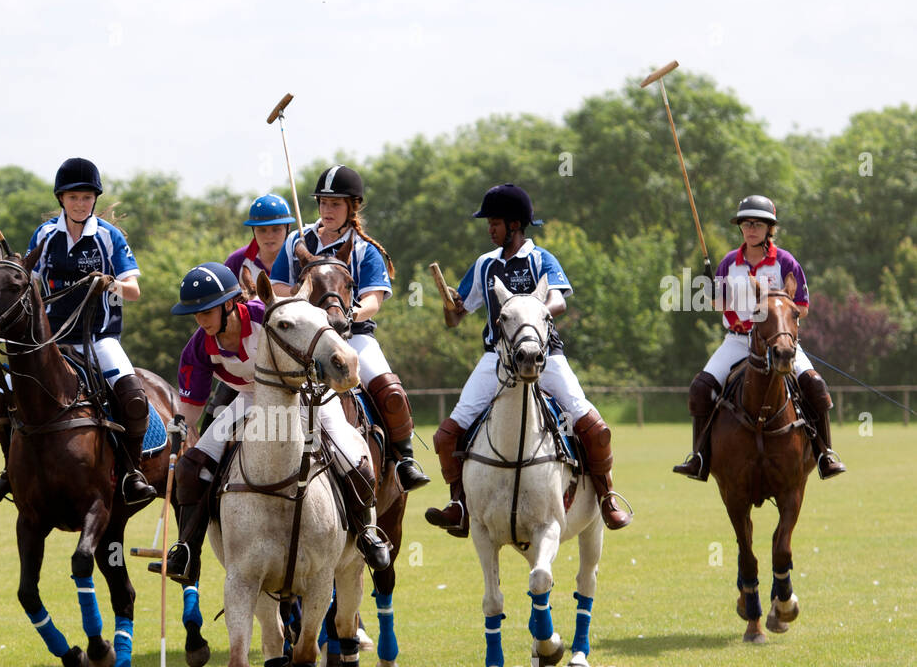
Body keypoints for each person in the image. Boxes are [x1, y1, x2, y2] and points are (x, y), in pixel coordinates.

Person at [157, 262, 392, 585]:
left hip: (305, 394)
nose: (200, 321)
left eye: (206, 312)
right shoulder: (199, 346)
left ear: (229, 304)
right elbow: (193, 404)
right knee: (191, 466)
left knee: (350, 455)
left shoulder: (265, 314)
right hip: (249, 400)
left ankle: (366, 531)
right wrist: (182, 422)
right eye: (195, 314)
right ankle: (187, 549)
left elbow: (316, 333)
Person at [426, 183, 632, 535]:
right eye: (488, 223)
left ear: (515, 225)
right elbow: (456, 318)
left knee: (594, 429)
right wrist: (451, 308)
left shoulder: (541, 259)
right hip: (496, 360)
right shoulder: (484, 265)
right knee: (446, 435)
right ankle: (460, 503)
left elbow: (559, 300)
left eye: (495, 223)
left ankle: (606, 496)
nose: (490, 229)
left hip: (546, 357)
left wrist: (530, 310)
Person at [0, 156, 158, 507]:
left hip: (99, 336)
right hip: (52, 341)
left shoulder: (109, 237)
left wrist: (110, 283)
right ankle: (8, 471)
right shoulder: (44, 235)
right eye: (74, 197)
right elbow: (26, 285)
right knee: (0, 400)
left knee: (133, 396)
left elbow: (134, 290)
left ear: (95, 200)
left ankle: (131, 472)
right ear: (61, 198)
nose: (80, 203)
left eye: (87, 197)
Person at [270, 165, 430, 493]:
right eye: (323, 203)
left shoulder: (365, 249)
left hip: (353, 335)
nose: (327, 210)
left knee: (390, 389)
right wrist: (307, 295)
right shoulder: (295, 243)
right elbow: (275, 286)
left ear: (352, 207)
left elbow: (373, 300)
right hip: (304, 338)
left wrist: (345, 312)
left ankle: (404, 457)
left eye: (336, 204)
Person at [673, 195, 846, 481]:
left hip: (777, 343)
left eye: (758, 223)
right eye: (746, 223)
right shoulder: (729, 262)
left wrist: (774, 306)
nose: (751, 228)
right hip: (738, 341)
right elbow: (719, 305)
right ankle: (700, 458)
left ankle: (825, 453)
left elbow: (801, 307)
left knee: (815, 385)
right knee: (700, 389)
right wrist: (710, 290)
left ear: (769, 228)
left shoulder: (785, 262)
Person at [226, 193, 294, 283]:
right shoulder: (236, 261)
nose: (269, 236)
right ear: (253, 229)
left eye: (276, 229)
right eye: (262, 230)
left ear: (288, 227)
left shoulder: (299, 258)